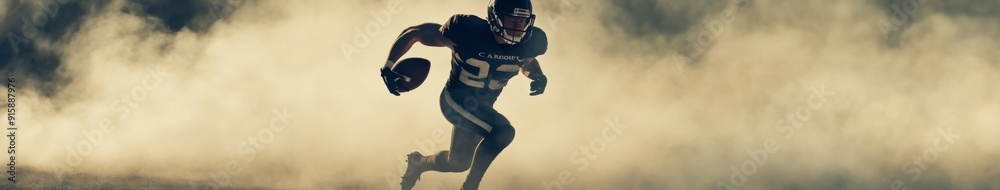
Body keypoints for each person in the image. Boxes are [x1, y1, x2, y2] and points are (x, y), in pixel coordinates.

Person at [378, 0, 547, 189]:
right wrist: (388, 66)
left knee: (458, 162)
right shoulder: (467, 32)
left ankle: (419, 163)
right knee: (503, 132)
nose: (517, 27)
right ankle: (470, 185)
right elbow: (415, 33)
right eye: (511, 20)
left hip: (482, 108)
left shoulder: (531, 42)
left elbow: (526, 61)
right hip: (455, 101)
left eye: (521, 21)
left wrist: (536, 75)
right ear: (495, 18)